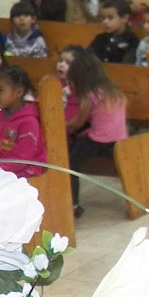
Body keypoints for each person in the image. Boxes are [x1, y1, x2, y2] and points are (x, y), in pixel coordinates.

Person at [60, 47, 127, 218]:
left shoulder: (89, 97)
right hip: (120, 138)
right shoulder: (113, 90)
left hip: (99, 140)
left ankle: (73, 205)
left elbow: (78, 122)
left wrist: (64, 126)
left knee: (71, 164)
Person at [0, 65, 47, 177]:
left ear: (18, 92)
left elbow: (21, 159)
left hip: (27, 173)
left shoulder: (29, 122)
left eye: (0, 90)